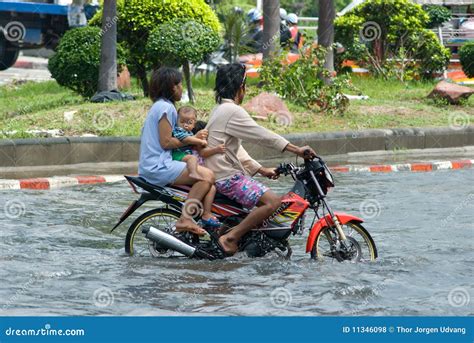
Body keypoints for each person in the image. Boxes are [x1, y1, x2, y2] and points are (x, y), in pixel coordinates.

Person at [205, 63, 316, 256]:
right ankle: (230, 238)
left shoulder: (219, 109)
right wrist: (296, 149)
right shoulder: (233, 111)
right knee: (272, 202)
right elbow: (261, 135)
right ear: (241, 87)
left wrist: (261, 169)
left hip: (219, 173)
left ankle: (229, 235)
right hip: (226, 177)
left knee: (256, 207)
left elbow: (235, 148)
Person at [138, 67, 215, 236]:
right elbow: (166, 142)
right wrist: (193, 140)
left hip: (155, 163)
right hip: (158, 165)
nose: (182, 89)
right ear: (172, 87)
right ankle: (185, 218)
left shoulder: (160, 106)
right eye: (180, 85)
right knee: (207, 176)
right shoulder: (167, 108)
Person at [171, 106, 226, 228]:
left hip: (185, 157)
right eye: (182, 122)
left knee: (212, 188)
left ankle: (206, 213)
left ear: (194, 122)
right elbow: (186, 139)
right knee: (193, 159)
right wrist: (199, 140)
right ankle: (193, 174)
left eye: (189, 122)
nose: (185, 125)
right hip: (179, 156)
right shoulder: (179, 131)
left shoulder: (190, 133)